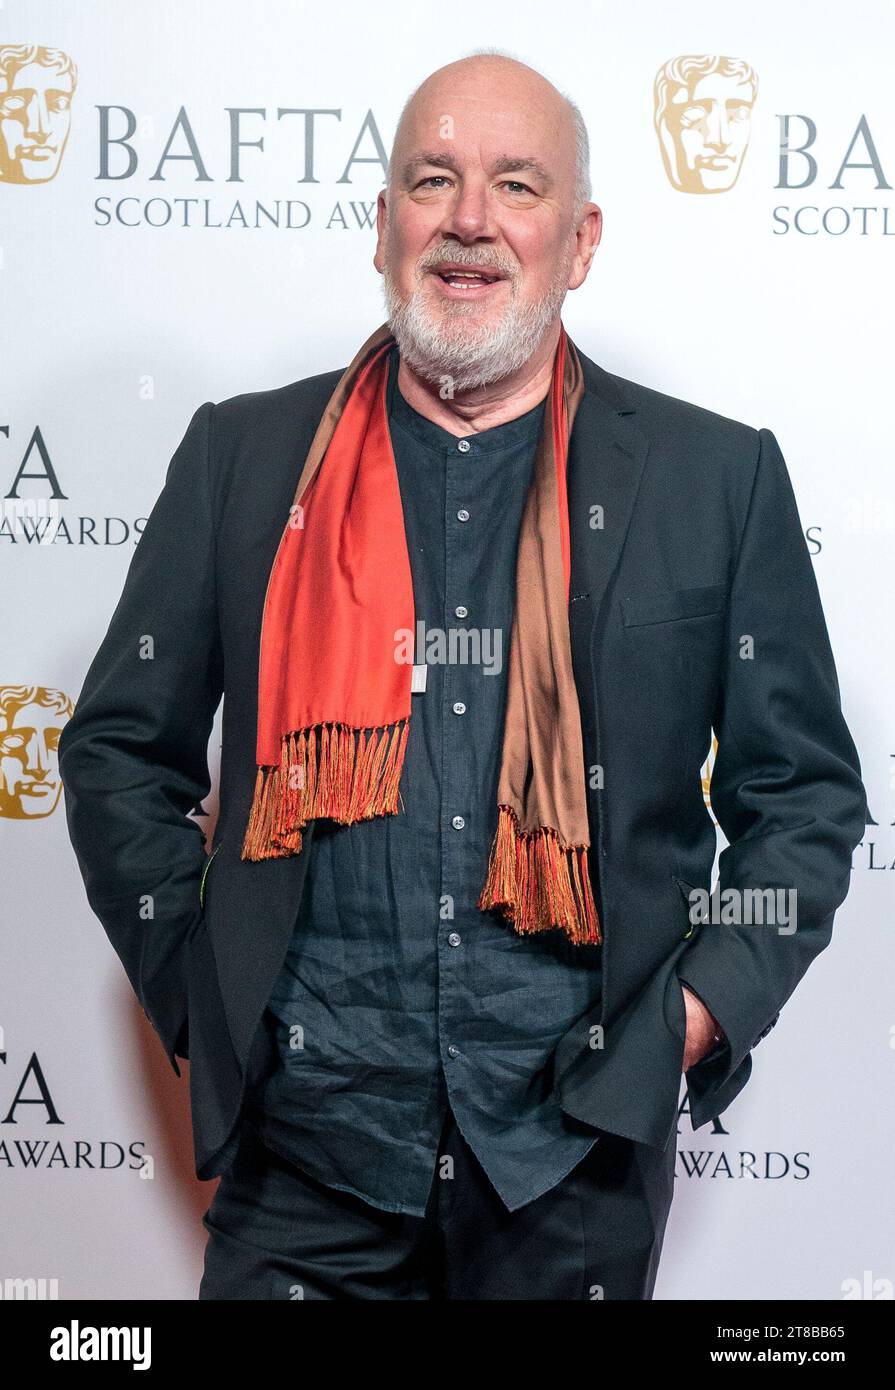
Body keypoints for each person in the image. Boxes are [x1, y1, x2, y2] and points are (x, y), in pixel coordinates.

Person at [58, 49, 867, 1300]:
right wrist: (201, 992)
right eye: (433, 180)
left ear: (580, 240)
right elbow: (118, 748)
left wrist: (692, 1018)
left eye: (517, 185)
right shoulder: (243, 457)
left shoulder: (713, 479)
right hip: (303, 1157)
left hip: (574, 1163)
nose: (470, 220)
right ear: (385, 222)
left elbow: (803, 800)